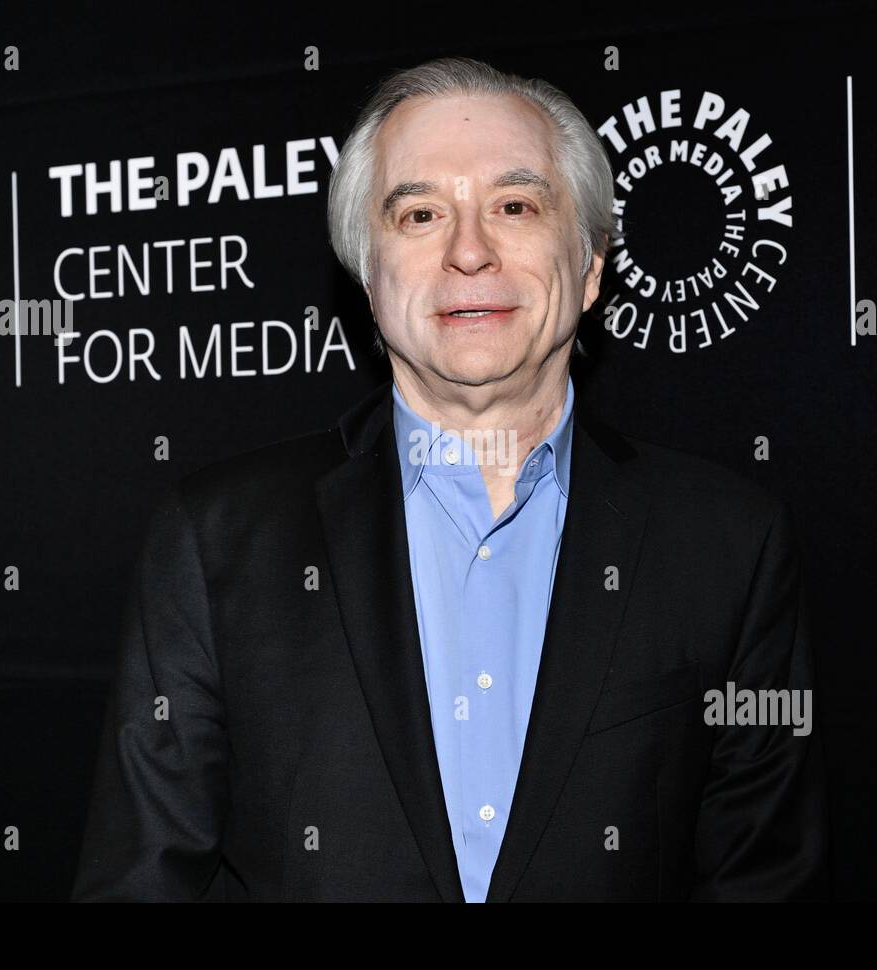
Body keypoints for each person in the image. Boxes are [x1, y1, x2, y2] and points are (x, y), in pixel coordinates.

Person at [72, 55, 827, 902]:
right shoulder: (216, 539)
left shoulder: (728, 542)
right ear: (367, 274)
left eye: (515, 205)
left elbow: (762, 882)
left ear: (590, 265)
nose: (470, 251)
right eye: (421, 213)